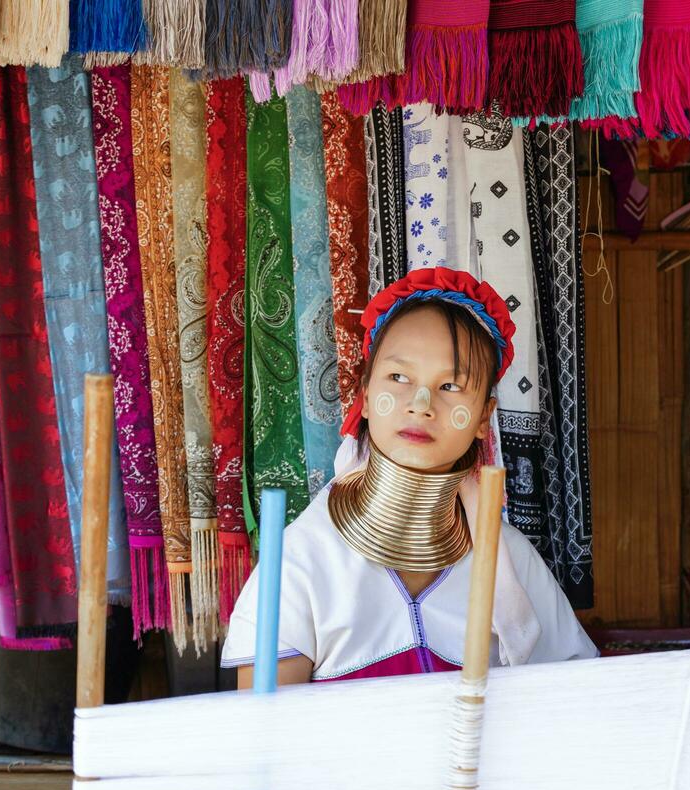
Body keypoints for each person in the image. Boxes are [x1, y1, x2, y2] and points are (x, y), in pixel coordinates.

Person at [221, 266, 597, 685]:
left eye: (450, 386)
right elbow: (269, 733)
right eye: (398, 377)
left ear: (482, 419)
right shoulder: (302, 560)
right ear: (363, 397)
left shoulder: (511, 561)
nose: (420, 404)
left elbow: (572, 702)